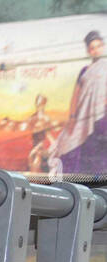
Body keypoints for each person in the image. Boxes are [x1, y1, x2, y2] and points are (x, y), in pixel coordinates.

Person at [50, 31, 107, 178]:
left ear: (103, 46)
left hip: (102, 117)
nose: (96, 50)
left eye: (99, 46)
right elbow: (76, 95)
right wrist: (73, 116)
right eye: (92, 48)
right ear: (89, 51)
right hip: (83, 117)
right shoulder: (84, 71)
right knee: (73, 147)